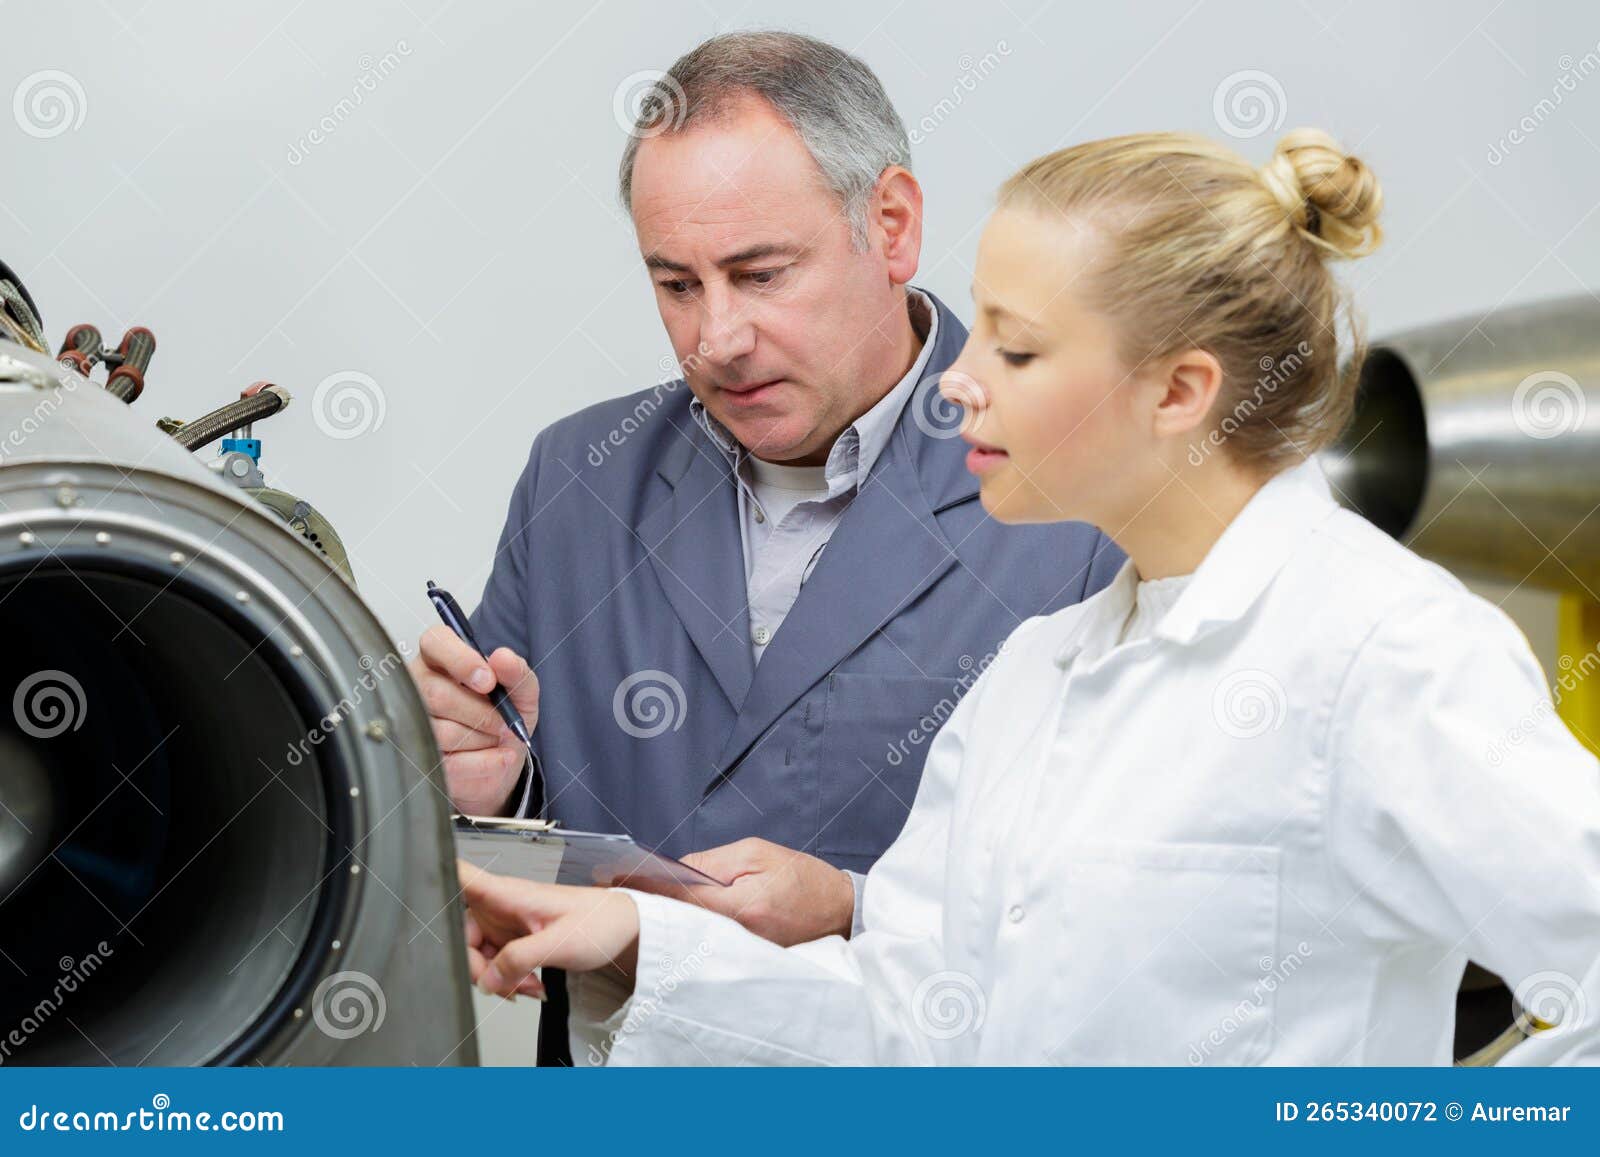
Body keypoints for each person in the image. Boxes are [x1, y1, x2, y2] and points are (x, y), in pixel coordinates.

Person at [456, 128, 1600, 1065]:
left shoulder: (1383, 648)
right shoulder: (1037, 668)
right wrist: (641, 933)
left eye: (1014, 349)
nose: (954, 381)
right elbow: (907, 1014)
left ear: (1178, 390)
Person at [405, 31, 1121, 1064]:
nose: (717, 338)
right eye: (677, 285)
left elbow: (1142, 929)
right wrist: (497, 793)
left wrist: (856, 907)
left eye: (759, 273)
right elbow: (535, 842)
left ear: (891, 226)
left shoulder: (1081, 499)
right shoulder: (577, 480)